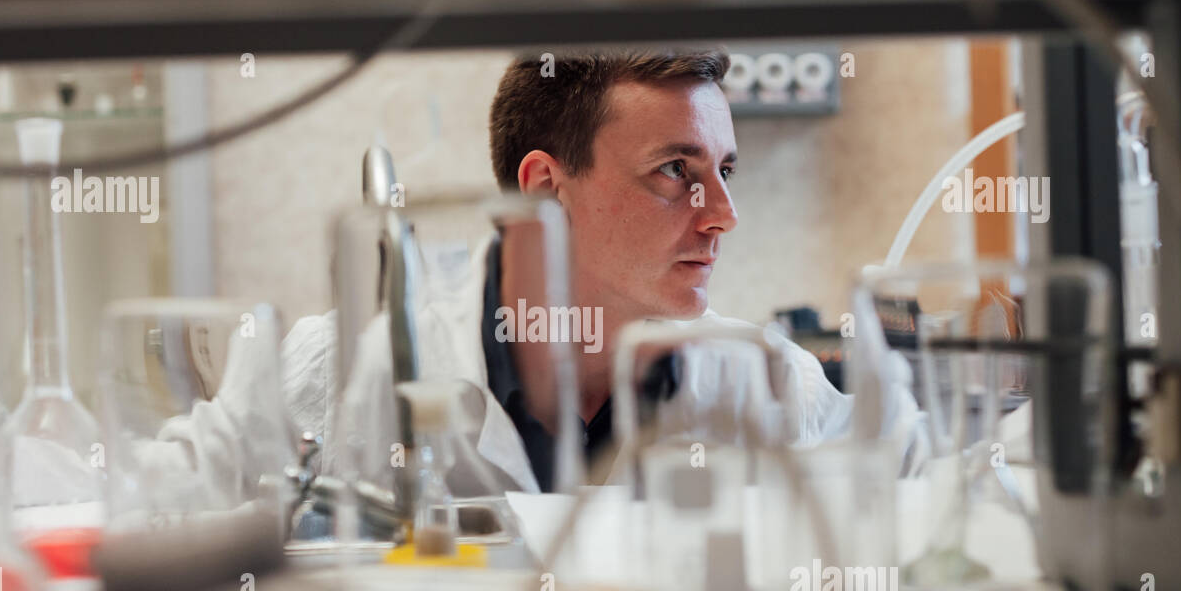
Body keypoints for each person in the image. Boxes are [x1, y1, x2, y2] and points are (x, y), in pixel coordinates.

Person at [279, 50, 925, 495]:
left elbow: (932, 481)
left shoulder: (769, 382)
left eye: (724, 172)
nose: (723, 216)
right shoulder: (344, 369)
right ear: (545, 191)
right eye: (676, 170)